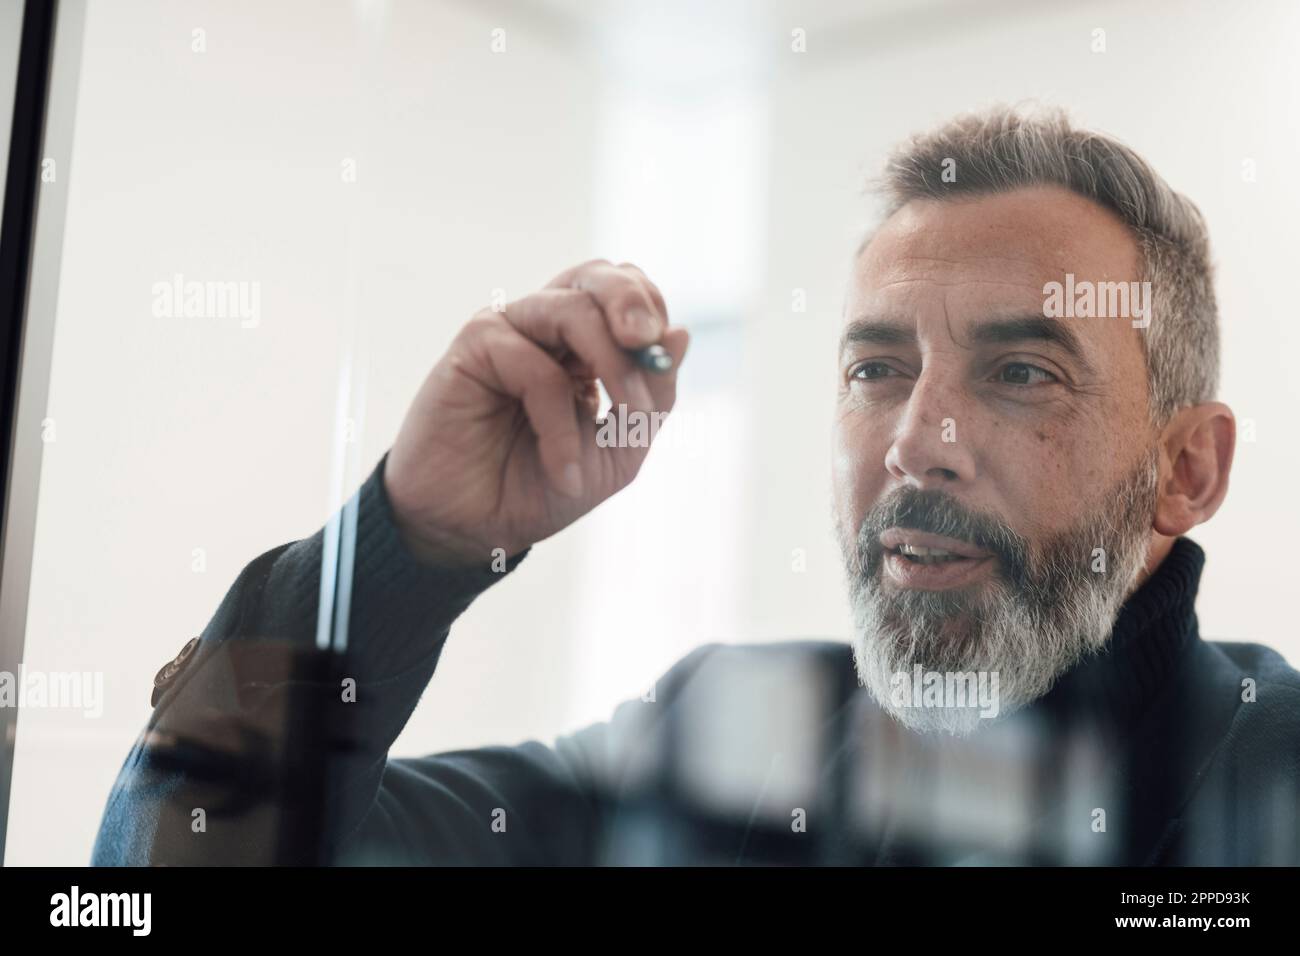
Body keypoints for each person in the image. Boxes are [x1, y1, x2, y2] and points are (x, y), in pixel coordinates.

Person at [92, 105, 1300, 866]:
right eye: (877, 365)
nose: (915, 440)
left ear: (1184, 468)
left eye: (1023, 370)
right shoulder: (724, 734)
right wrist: (405, 546)